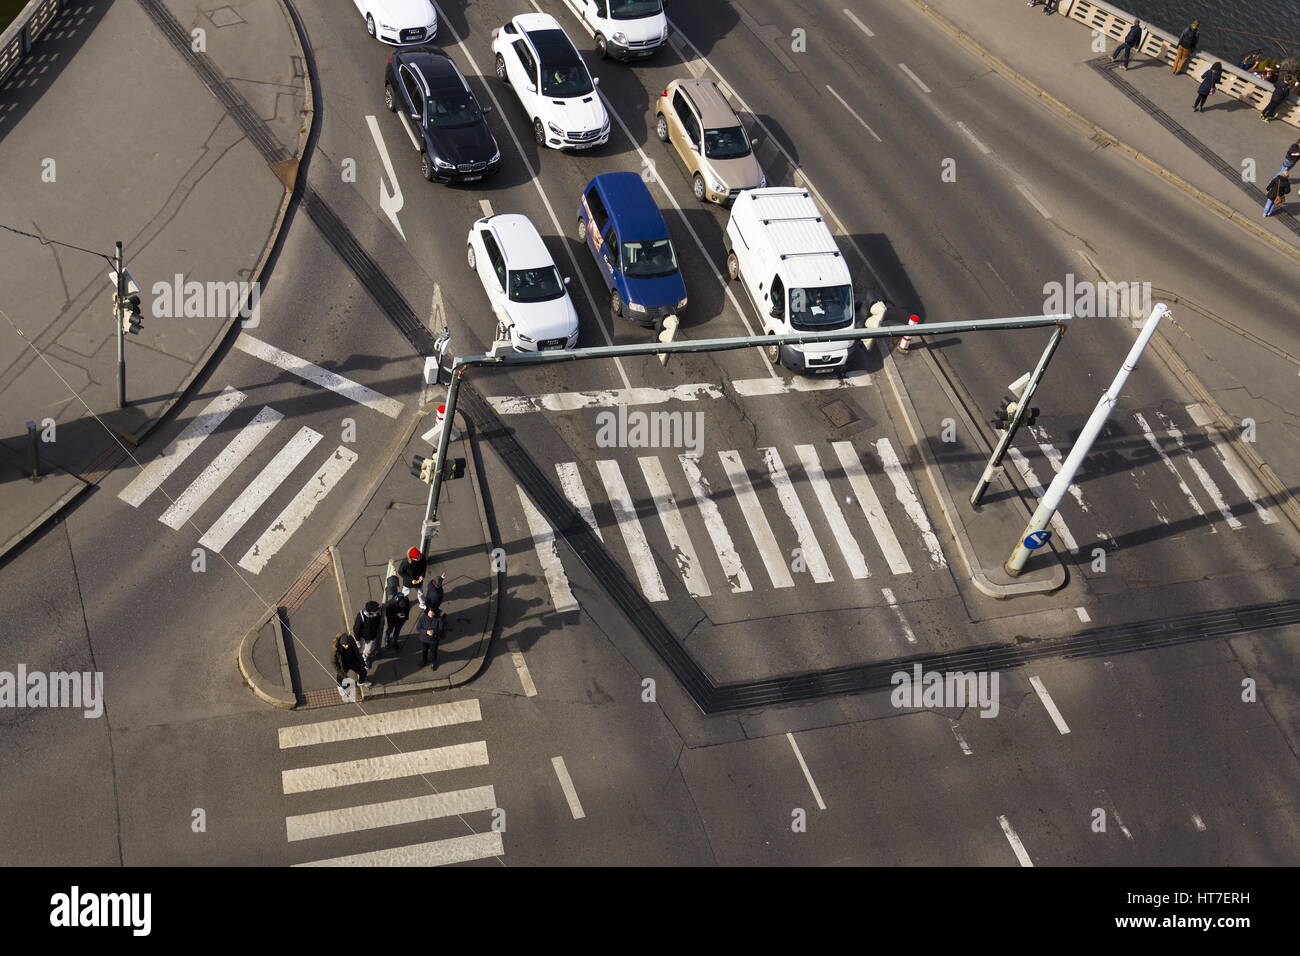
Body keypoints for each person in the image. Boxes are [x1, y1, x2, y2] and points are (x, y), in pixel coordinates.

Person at [383, 575, 410, 652]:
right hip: (392, 621)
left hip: (401, 620)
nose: (403, 605)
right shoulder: (391, 604)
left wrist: (405, 617)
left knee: (397, 631)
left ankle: (395, 642)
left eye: (403, 604)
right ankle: (387, 640)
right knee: (389, 630)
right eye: (401, 604)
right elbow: (388, 615)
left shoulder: (406, 600)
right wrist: (396, 615)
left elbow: (407, 609)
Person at [353, 600, 383, 667]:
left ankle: (364, 658)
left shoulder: (378, 613)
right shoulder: (361, 616)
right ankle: (359, 658)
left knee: (368, 650)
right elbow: (356, 629)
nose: (379, 611)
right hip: (362, 637)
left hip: (372, 637)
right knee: (360, 649)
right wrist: (357, 639)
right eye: (377, 610)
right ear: (371, 611)